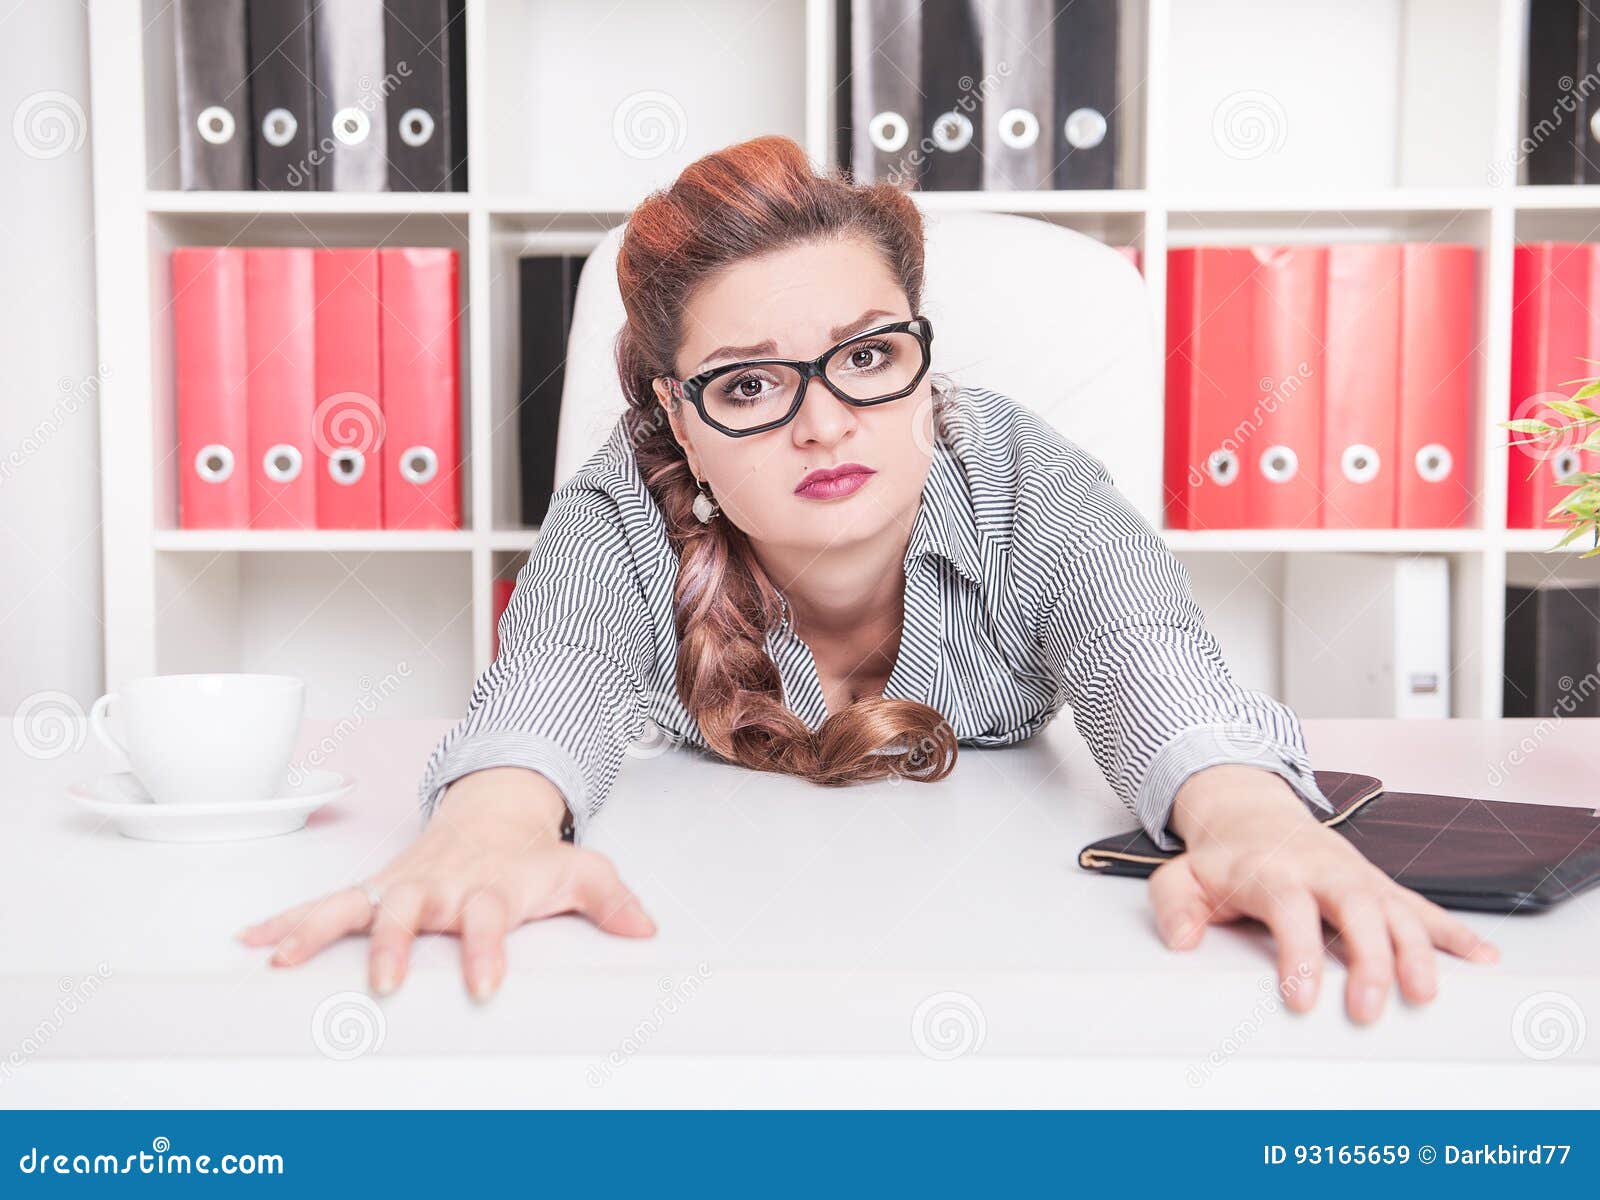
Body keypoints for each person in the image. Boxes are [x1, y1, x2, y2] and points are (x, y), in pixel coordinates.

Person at [238, 135, 1498, 1022]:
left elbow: (1150, 667)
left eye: (866, 357)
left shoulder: (1025, 480)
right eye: (746, 385)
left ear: (920, 357)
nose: (824, 423)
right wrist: (483, 832)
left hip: (1003, 964)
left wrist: (1254, 822)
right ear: (677, 419)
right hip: (714, 970)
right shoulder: (621, 504)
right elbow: (543, 693)